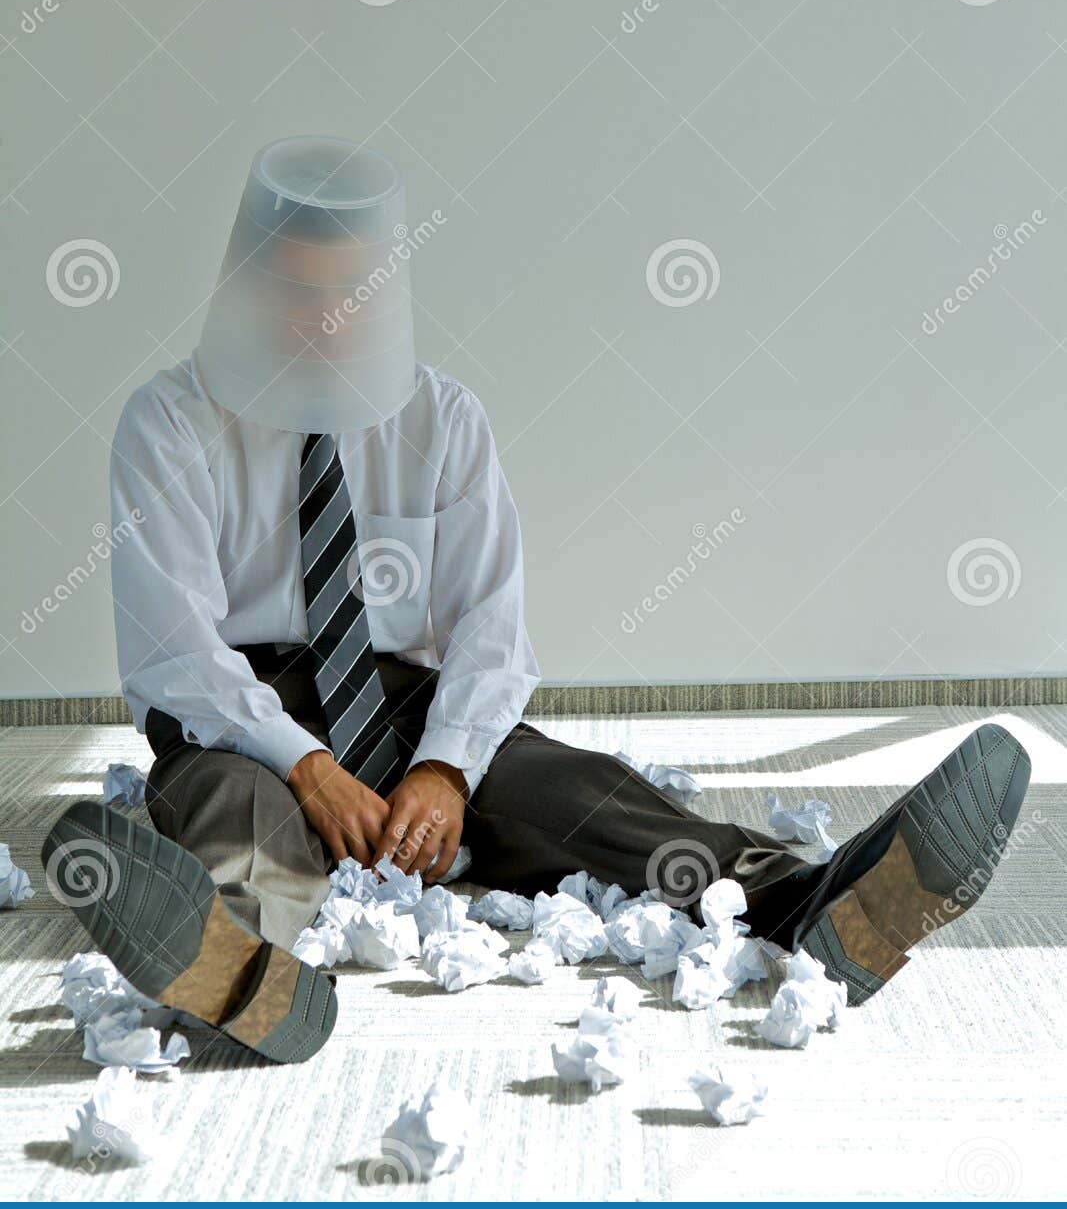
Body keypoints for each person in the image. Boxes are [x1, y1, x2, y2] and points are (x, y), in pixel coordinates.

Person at [44, 138, 1031, 1064]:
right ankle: (244, 976)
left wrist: (442, 768)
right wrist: (302, 763)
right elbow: (172, 645)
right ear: (245, 286)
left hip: (407, 708)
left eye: (350, 292)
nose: (323, 319)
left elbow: (489, 624)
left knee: (571, 797)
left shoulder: (443, 419)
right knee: (240, 817)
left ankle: (810, 901)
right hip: (243, 722)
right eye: (296, 291)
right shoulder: (168, 422)